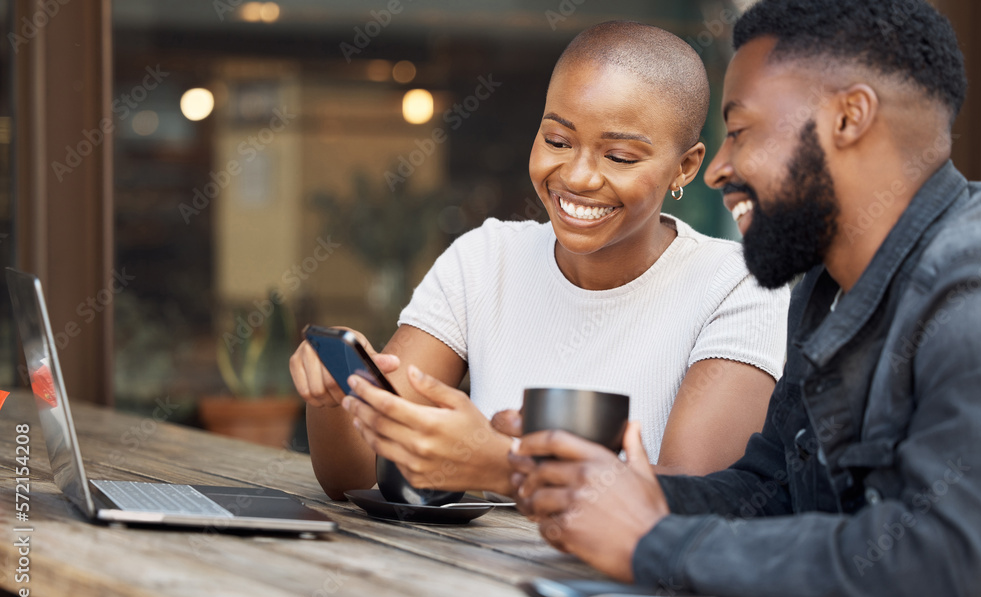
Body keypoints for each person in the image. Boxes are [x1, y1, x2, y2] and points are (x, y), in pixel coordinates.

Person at [510, 0, 981, 597]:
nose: (717, 169)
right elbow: (770, 495)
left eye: (740, 131)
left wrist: (655, 544)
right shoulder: (826, 288)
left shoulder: (978, 289)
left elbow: (951, 576)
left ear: (848, 118)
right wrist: (613, 495)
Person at [290, 21, 789, 501]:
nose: (577, 176)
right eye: (557, 141)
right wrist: (333, 397)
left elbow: (696, 499)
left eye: (619, 157)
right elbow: (358, 474)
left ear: (685, 166)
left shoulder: (738, 285)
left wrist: (503, 463)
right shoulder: (486, 260)